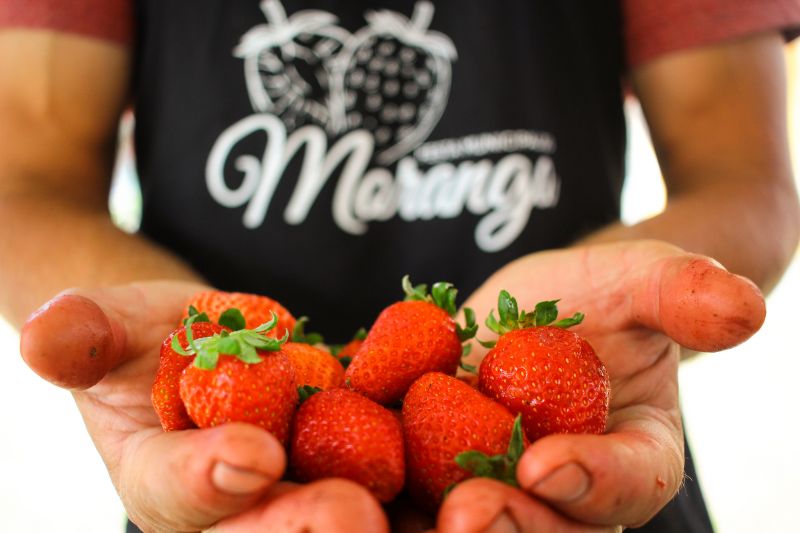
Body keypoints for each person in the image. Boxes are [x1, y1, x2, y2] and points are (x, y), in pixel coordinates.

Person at [1, 0, 798, 531]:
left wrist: (637, 300)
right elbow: (23, 180)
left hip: (577, 475)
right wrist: (176, 344)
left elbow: (744, 177)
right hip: (225, 483)